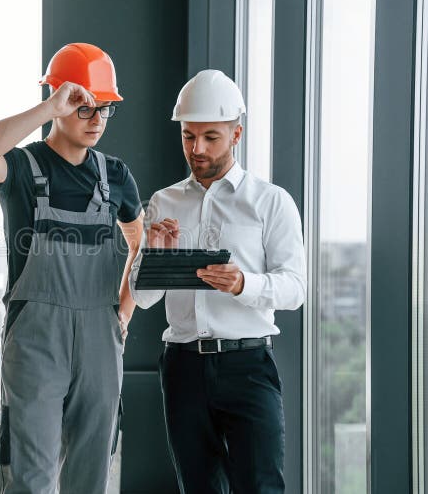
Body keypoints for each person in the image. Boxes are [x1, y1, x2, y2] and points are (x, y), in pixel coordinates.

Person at [0, 42, 144, 494]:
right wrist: (47, 108)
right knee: (29, 475)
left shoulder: (114, 176)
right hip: (37, 340)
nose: (96, 119)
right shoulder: (22, 168)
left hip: (100, 339)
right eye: (84, 107)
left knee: (92, 471)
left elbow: (141, 245)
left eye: (105, 109)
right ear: (61, 99)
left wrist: (122, 313)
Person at [129, 70, 306, 493]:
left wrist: (244, 284)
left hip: (247, 366)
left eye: (211, 137)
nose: (198, 149)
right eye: (189, 137)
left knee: (260, 486)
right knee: (198, 487)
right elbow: (143, 296)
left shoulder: (270, 202)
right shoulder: (164, 202)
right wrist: (156, 255)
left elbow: (296, 288)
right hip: (183, 366)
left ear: (236, 134)